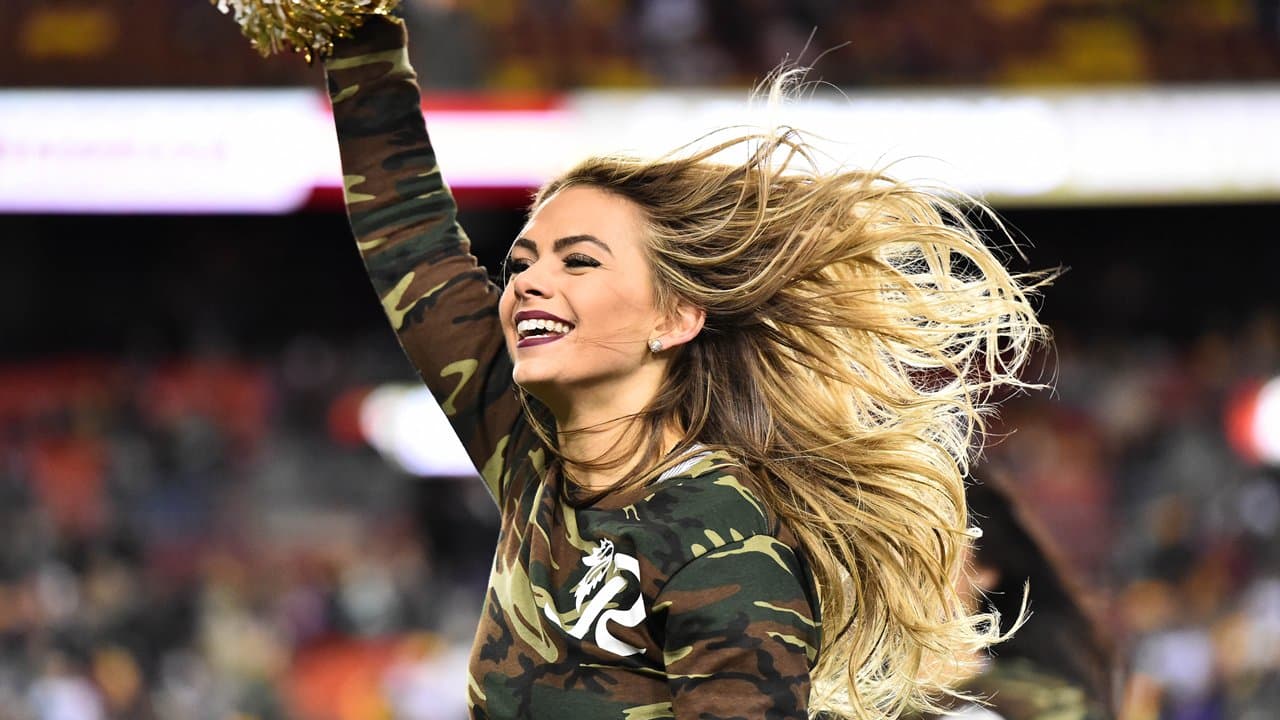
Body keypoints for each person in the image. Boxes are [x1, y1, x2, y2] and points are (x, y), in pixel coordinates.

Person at [215, 5, 1051, 718]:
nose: (530, 283)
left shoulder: (720, 551)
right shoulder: (530, 450)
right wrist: (360, 33)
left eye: (579, 262)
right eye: (522, 263)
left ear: (674, 317)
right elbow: (412, 244)